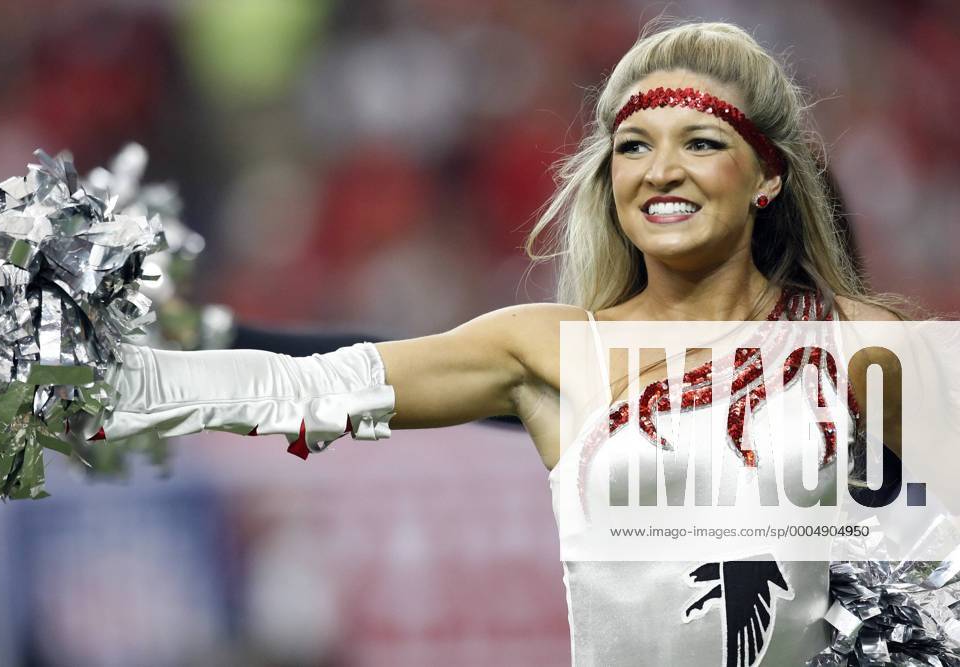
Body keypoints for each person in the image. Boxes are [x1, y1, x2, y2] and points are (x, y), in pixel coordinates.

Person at [87, 20, 905, 666]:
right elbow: (306, 387)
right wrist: (88, 373)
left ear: (767, 177)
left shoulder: (866, 349)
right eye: (634, 146)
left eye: (699, 142)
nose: (661, 172)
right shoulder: (552, 355)